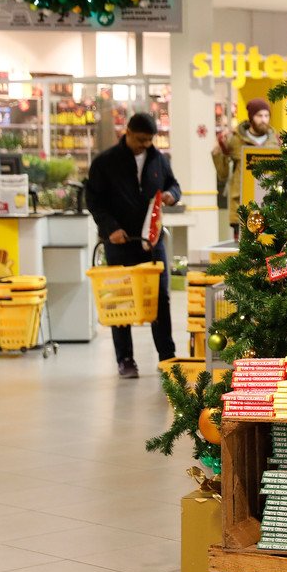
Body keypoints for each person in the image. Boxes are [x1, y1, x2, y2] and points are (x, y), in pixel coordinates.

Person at [86, 113, 180, 378]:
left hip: (152, 242)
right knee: (121, 300)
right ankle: (125, 359)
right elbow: (94, 201)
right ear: (126, 132)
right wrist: (109, 229)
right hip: (120, 241)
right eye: (140, 140)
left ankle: (167, 356)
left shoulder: (158, 159)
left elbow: (173, 184)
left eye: (149, 140)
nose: (145, 145)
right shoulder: (105, 163)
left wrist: (173, 194)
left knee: (160, 298)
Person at [224, 98, 276, 233]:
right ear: (251, 117)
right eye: (259, 116)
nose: (264, 120)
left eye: (266, 115)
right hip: (241, 204)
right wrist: (219, 149)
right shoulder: (236, 139)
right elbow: (222, 171)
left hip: (269, 204)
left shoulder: (275, 140)